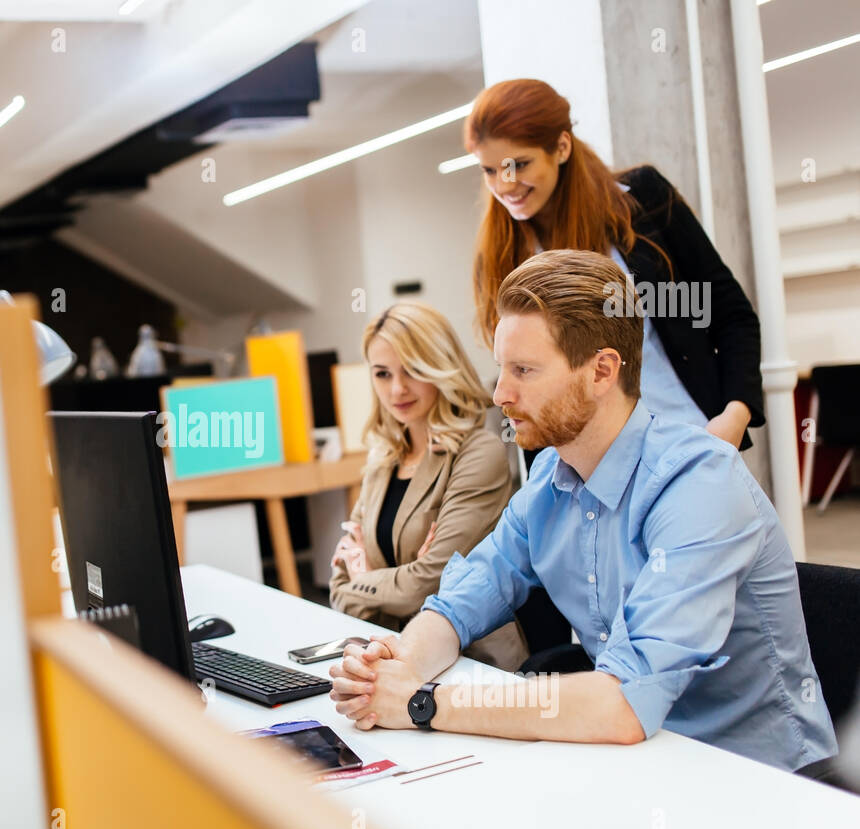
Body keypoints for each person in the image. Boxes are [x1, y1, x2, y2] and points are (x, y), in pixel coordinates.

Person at [328, 250, 837, 776]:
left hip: (758, 781)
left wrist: (422, 704)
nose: (501, 393)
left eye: (524, 370)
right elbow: (459, 603)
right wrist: (395, 669)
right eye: (502, 368)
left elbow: (622, 705)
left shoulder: (700, 485)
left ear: (601, 371)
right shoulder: (551, 478)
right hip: (637, 764)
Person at [466, 78, 763, 451]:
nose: (505, 185)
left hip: (691, 438)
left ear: (561, 147)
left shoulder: (641, 199)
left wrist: (734, 415)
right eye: (489, 171)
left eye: (519, 164)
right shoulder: (503, 254)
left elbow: (730, 314)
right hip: (588, 466)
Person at [328, 303, 528, 672]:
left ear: (440, 366)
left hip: (471, 664)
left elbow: (428, 586)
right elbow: (339, 588)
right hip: (389, 658)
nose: (398, 389)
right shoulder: (382, 459)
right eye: (383, 374)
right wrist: (397, 580)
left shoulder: (478, 454)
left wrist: (366, 578)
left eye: (413, 370)